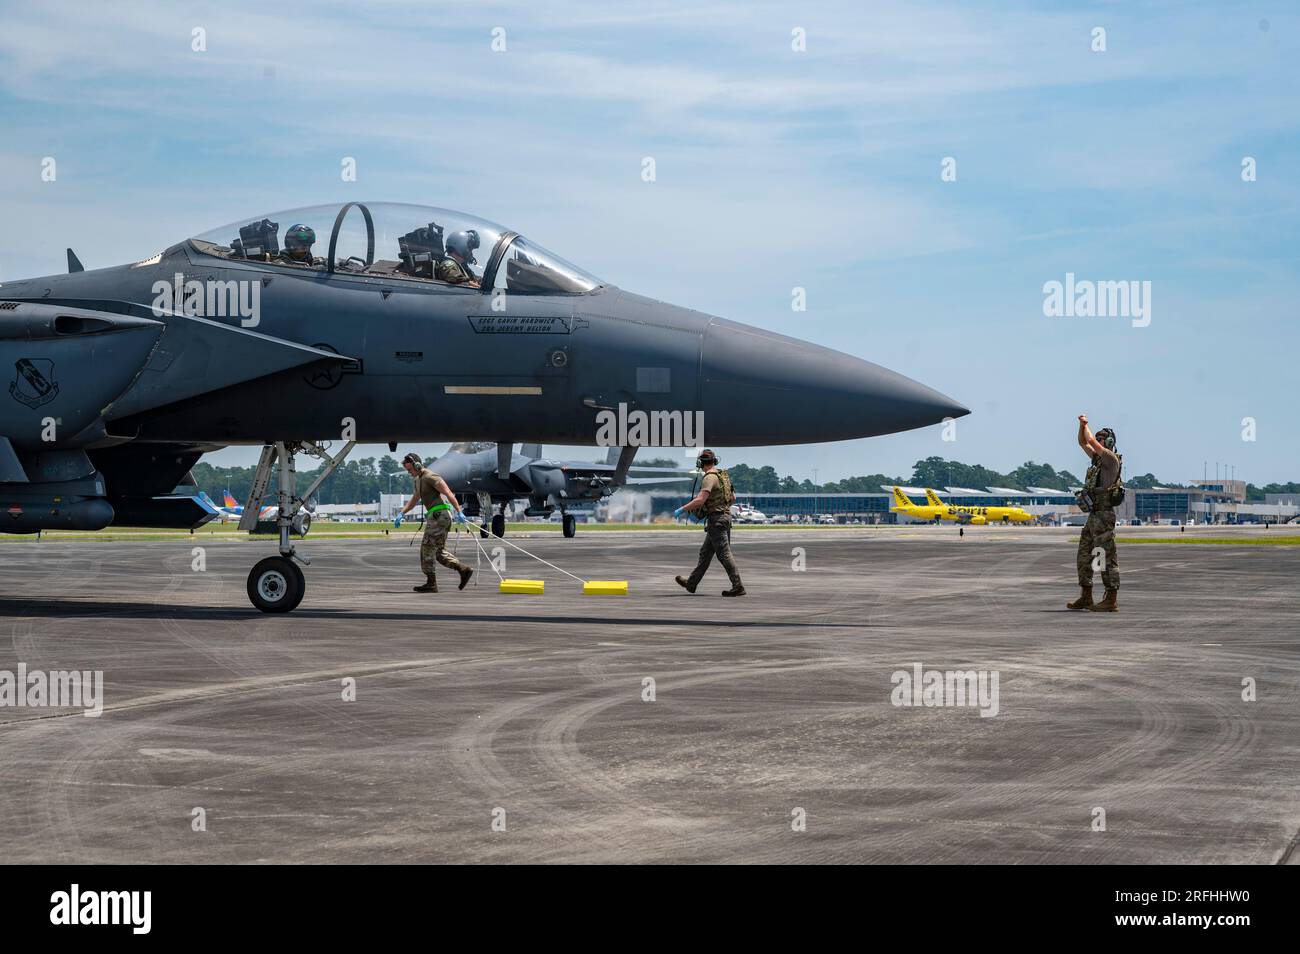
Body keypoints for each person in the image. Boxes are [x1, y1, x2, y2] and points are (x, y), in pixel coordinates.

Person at [395, 452, 474, 593]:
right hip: (435, 516)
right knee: (438, 552)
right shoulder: (418, 480)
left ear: (417, 465)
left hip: (439, 515)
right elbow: (414, 499)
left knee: (426, 548)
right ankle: (463, 570)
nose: (409, 473)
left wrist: (459, 511)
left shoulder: (431, 477)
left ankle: (431, 583)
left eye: (410, 469)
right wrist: (402, 513)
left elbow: (448, 493)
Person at [674, 449, 745, 596]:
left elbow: (700, 500)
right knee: (705, 553)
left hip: (717, 520)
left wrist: (682, 509)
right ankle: (691, 583)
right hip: (725, 517)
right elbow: (733, 499)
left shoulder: (709, 478)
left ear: (701, 463)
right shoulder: (722, 476)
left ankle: (738, 586)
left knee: (724, 554)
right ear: (714, 461)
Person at [1068, 415, 1122, 612]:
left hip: (1104, 516)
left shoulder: (1110, 459)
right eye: (1097, 437)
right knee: (1084, 555)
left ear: (1108, 443)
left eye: (1101, 438)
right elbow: (1083, 441)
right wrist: (1080, 427)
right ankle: (1086, 595)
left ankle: (1111, 598)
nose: (1097, 440)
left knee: (1105, 557)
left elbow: (1089, 440)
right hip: (1094, 516)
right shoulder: (1097, 461)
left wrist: (1085, 424)